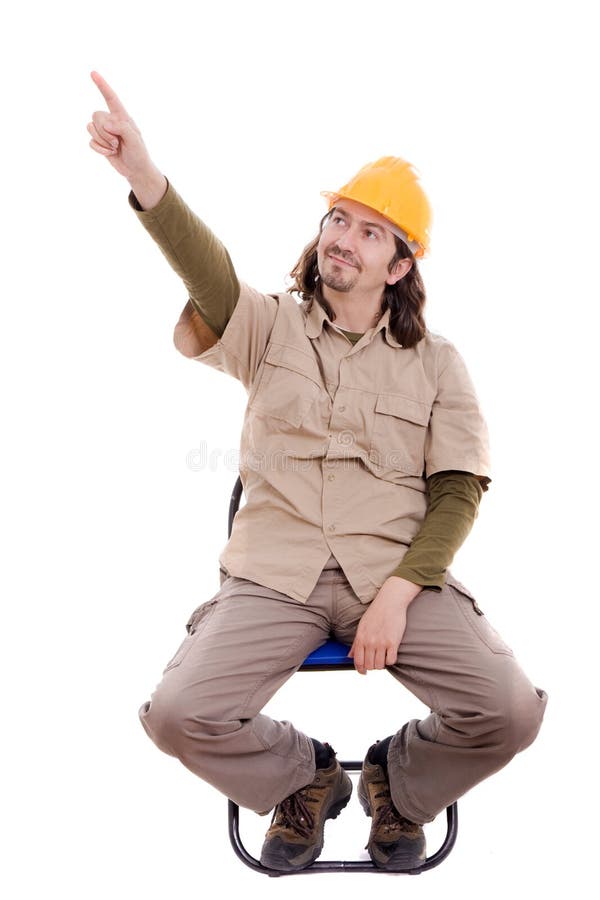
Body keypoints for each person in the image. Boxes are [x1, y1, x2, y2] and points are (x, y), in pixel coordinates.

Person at [88, 70, 548, 873]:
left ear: (400, 266)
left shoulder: (440, 365)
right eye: (338, 218)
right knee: (175, 715)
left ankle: (397, 787)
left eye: (371, 232)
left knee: (511, 712)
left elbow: (457, 494)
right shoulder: (266, 327)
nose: (343, 237)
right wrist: (144, 178)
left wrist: (398, 598)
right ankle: (306, 780)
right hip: (275, 576)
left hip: (397, 576)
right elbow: (206, 270)